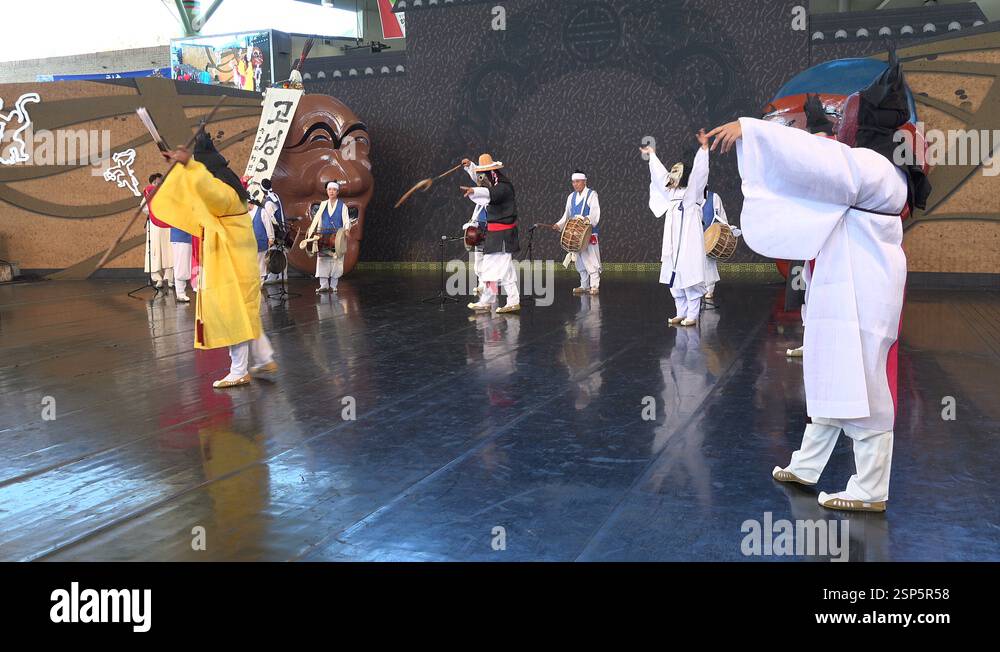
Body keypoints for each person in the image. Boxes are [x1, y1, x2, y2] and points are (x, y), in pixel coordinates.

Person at [707, 59, 931, 512]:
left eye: (851, 116)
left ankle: (870, 488)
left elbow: (825, 160)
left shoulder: (876, 169)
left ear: (867, 126)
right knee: (831, 373)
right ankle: (808, 464)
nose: (845, 122)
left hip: (861, 292)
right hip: (847, 285)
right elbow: (828, 163)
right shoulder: (880, 169)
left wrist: (754, 131)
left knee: (862, 383)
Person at [151, 132, 278, 389]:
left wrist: (188, 166)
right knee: (244, 312)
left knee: (234, 314)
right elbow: (202, 192)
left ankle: (239, 369)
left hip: (232, 261)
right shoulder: (232, 190)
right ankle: (264, 357)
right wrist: (183, 169)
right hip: (234, 257)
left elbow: (208, 191)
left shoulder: (225, 192)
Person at [642, 129, 712, 326]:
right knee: (673, 274)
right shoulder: (670, 195)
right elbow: (658, 175)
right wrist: (653, 155)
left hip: (688, 240)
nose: (671, 177)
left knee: (688, 273)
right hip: (672, 242)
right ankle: (680, 312)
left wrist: (704, 149)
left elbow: (700, 174)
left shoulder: (693, 194)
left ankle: (692, 314)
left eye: (675, 174)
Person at [463, 154, 521, 314]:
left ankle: (488, 300)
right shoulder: (493, 182)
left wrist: (473, 190)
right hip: (496, 235)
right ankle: (512, 301)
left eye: (484, 171)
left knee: (491, 269)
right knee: (504, 270)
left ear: (492, 171)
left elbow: (490, 194)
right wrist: (470, 167)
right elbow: (482, 183)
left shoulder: (503, 186)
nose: (482, 175)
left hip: (503, 234)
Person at [545, 170, 602, 295]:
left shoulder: (591, 195)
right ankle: (584, 285)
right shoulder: (571, 196)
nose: (575, 184)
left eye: (577, 181)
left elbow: (595, 212)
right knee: (580, 261)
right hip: (576, 234)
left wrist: (588, 219)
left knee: (590, 259)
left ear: (584, 181)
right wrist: (559, 225)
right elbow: (567, 215)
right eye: (573, 182)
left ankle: (594, 285)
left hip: (588, 232)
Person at [302, 180, 353, 293]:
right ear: (327, 191)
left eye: (334, 190)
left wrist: (347, 230)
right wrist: (316, 233)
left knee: (337, 261)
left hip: (337, 237)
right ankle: (323, 285)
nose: (331, 192)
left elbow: (346, 221)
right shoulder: (323, 204)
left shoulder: (342, 206)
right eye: (329, 189)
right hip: (323, 235)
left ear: (337, 192)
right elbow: (318, 219)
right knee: (322, 260)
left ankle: (334, 285)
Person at [461, 158, 490, 298]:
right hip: (480, 222)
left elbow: (484, 187)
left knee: (489, 256)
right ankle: (481, 282)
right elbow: (478, 179)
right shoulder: (482, 176)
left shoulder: (495, 180)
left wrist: (471, 167)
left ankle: (489, 286)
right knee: (478, 255)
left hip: (492, 224)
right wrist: (470, 165)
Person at [142, 174, 173, 290]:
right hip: (155, 226)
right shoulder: (148, 193)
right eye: (156, 182)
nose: (158, 184)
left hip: (167, 224)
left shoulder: (167, 193)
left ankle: (170, 279)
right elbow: (144, 208)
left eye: (160, 182)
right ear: (152, 183)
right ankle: (158, 279)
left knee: (169, 251)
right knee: (155, 251)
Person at [702, 190, 729, 300]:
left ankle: (709, 289)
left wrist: (725, 229)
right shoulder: (690, 196)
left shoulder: (713, 197)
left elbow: (721, 216)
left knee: (709, 262)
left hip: (710, 236)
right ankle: (696, 289)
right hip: (694, 235)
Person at [261, 179, 288, 285]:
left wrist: (273, 231)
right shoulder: (275, 196)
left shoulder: (268, 202)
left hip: (276, 229)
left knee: (274, 252)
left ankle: (274, 275)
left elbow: (271, 219)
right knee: (281, 251)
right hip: (282, 227)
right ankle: (283, 275)